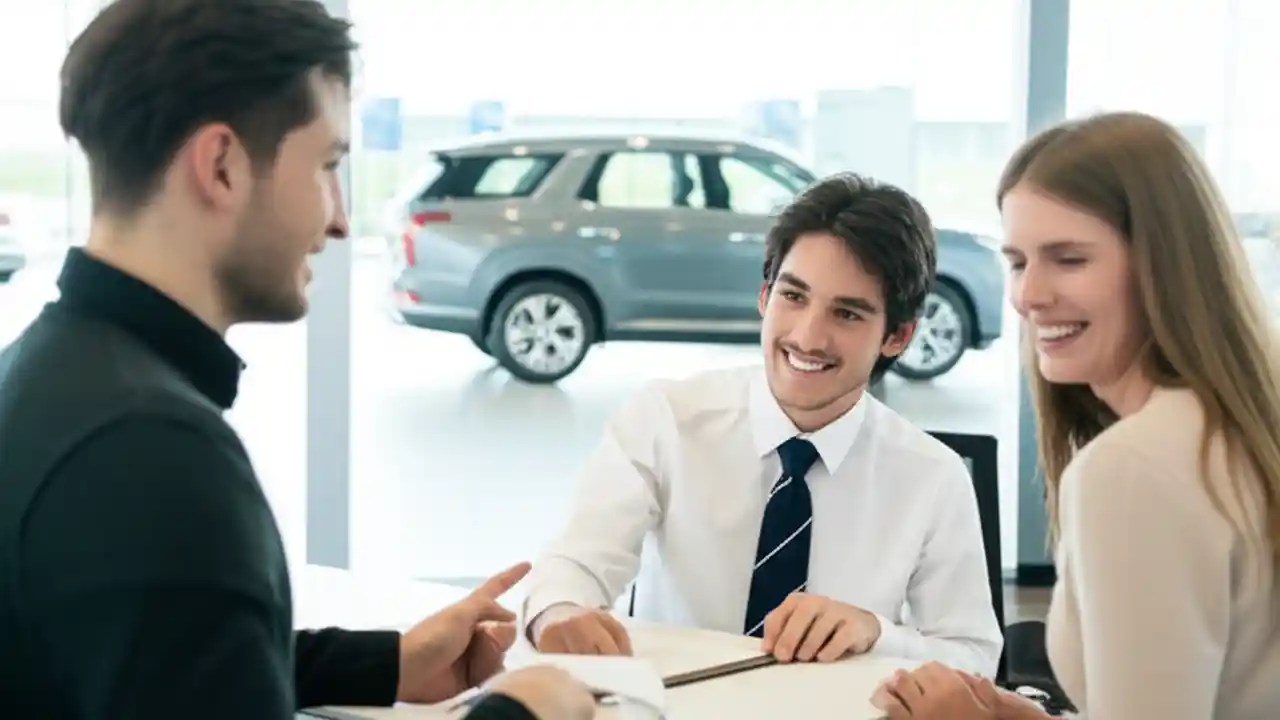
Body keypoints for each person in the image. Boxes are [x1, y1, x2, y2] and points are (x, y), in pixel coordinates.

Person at [0, 1, 592, 719]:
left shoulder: (51, 377)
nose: (339, 217)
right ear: (220, 165)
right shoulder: (151, 451)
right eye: (327, 165)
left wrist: (387, 664)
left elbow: (158, 653)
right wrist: (522, 713)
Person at [873, 112, 1280, 719]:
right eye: (1018, 261)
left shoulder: (1134, 470)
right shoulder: (1234, 421)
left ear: (1161, 266)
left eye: (1068, 259)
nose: (1028, 295)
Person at [521, 173, 1004, 676]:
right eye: (794, 297)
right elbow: (576, 563)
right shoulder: (665, 419)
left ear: (898, 337)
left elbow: (975, 657)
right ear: (763, 297)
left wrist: (878, 634)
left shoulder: (934, 477)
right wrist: (558, 611)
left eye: (846, 314)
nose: (808, 337)